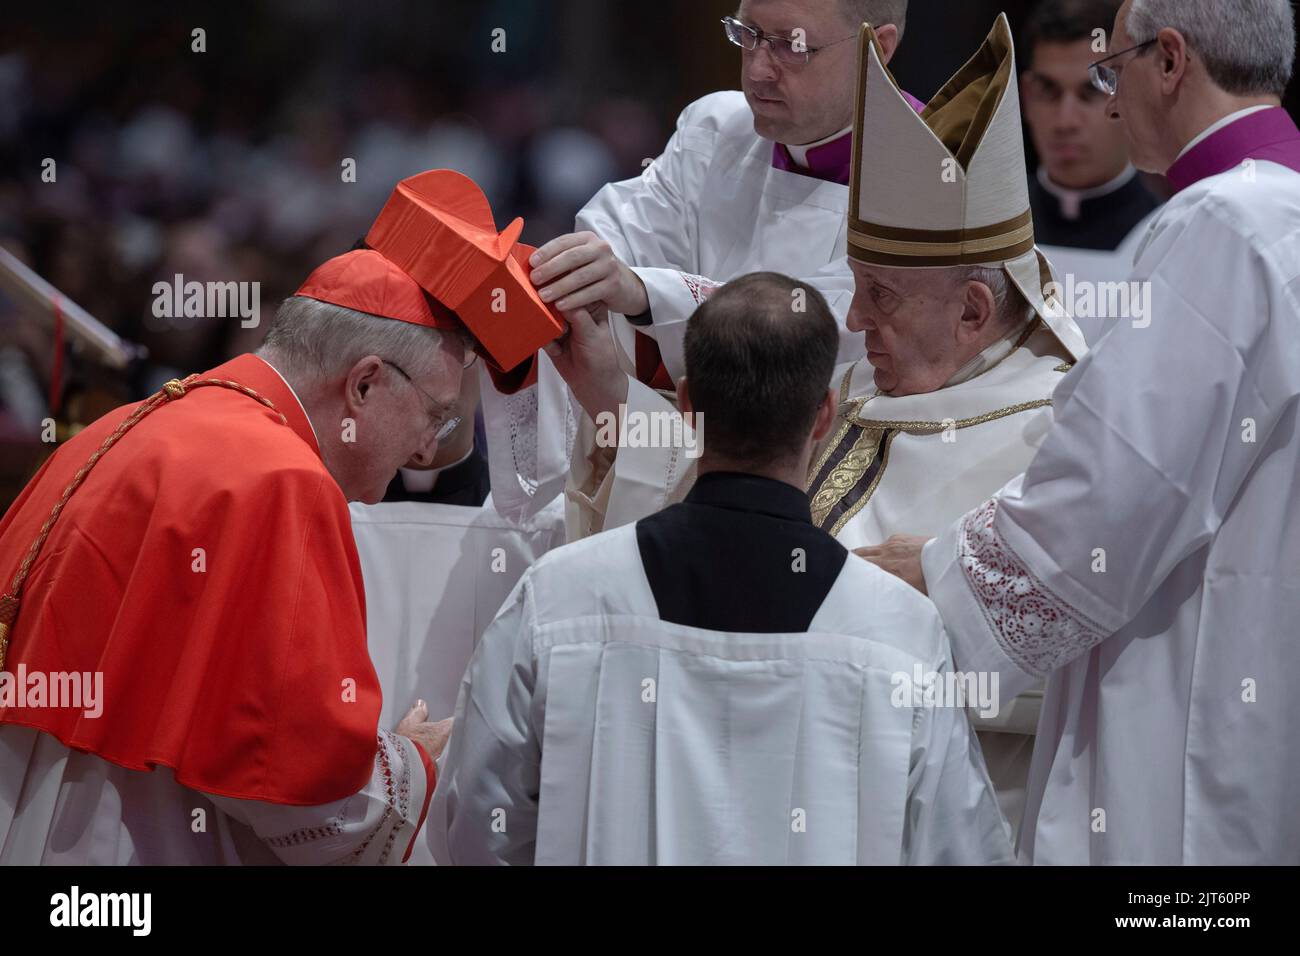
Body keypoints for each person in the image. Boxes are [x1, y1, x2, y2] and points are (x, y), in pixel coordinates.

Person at [548, 15, 1088, 832]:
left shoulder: (1057, 441)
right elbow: (728, 509)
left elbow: (1072, 665)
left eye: (882, 295)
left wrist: (940, 580)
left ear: (976, 310)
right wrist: (614, 407)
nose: (856, 321)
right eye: (859, 285)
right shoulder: (878, 386)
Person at [861, 0, 1300, 864]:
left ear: (1170, 61)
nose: (1106, 102)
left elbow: (1112, 493)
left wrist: (936, 568)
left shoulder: (1223, 226)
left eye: (1115, 70)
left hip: (1189, 703)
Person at [428, 274, 1013, 865]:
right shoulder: (900, 632)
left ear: (685, 405)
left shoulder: (561, 598)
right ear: (824, 416)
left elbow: (475, 821)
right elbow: (959, 849)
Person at [0, 249, 463, 864]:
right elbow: (299, 781)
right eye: (435, 417)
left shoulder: (129, 424)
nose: (429, 450)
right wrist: (412, 768)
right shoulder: (280, 478)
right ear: (365, 382)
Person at [479, 0, 921, 524]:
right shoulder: (718, 127)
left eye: (791, 45)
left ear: (879, 48)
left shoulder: (923, 178)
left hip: (818, 483)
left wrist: (646, 295)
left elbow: (820, 331)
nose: (758, 67)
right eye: (749, 33)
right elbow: (617, 232)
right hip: (664, 435)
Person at [1021, 0, 1161, 250]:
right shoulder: (986, 234)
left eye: (1092, 91)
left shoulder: (1167, 236)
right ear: (1027, 98)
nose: (1065, 122)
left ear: (1131, 97)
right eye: (1048, 90)